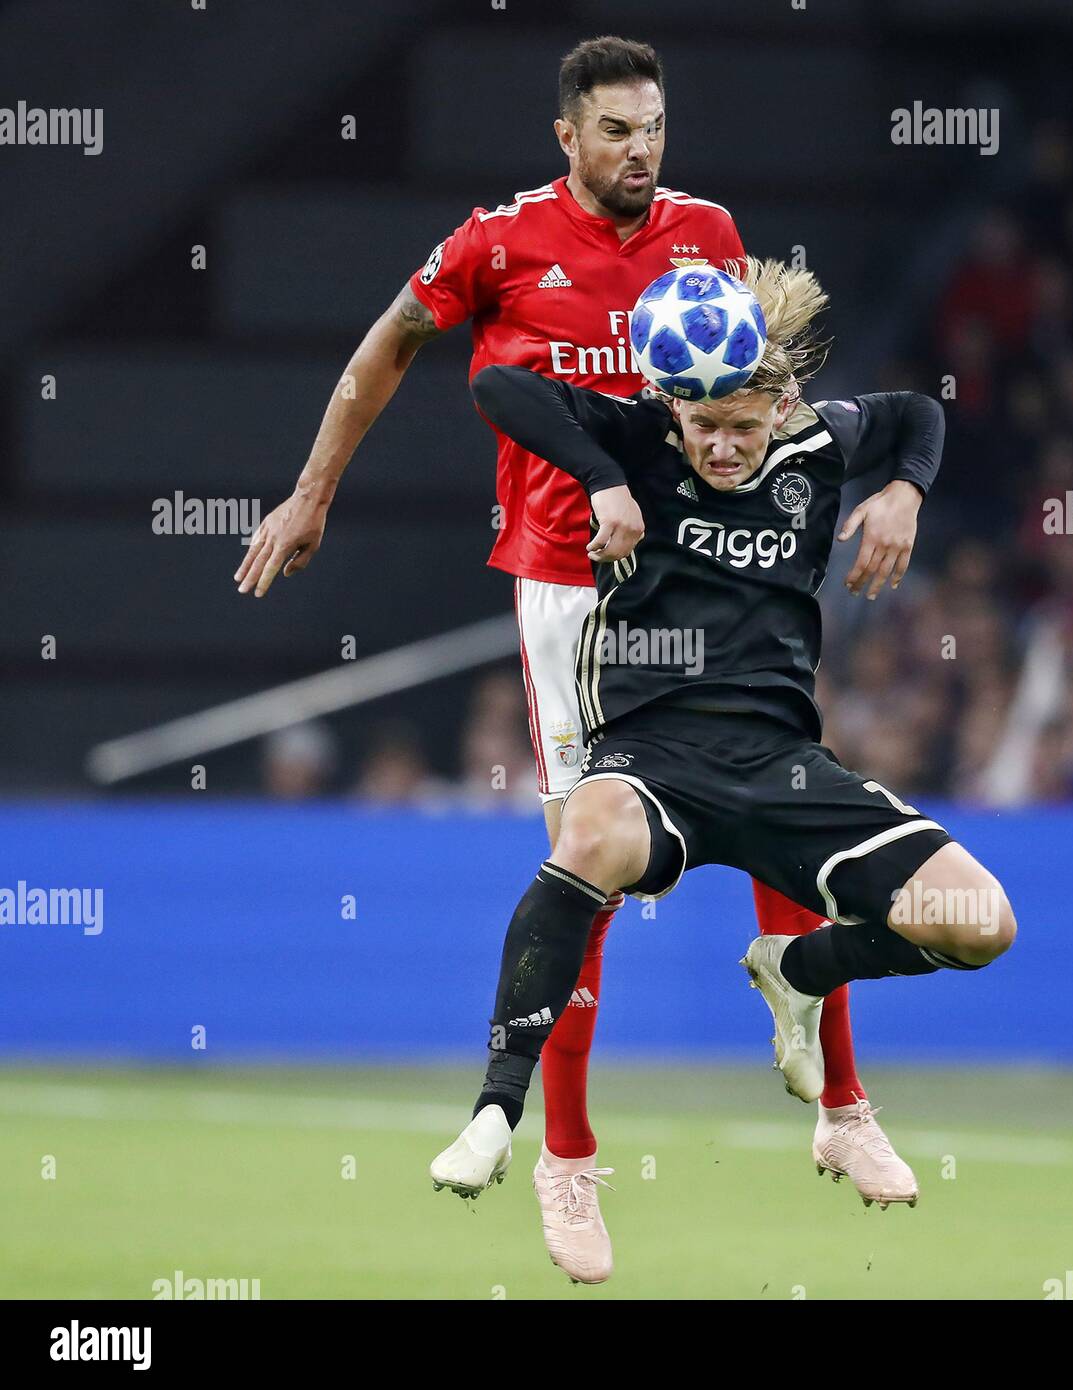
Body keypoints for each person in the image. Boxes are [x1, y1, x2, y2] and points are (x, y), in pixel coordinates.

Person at [234, 35, 892, 1285]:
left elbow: (752, 396)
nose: (640, 151)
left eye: (653, 127)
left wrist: (853, 474)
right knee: (584, 865)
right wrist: (313, 492)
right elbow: (386, 349)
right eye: (614, 131)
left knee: (782, 806)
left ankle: (843, 1104)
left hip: (701, 576)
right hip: (567, 598)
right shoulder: (497, 243)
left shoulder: (708, 231)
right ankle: (569, 1162)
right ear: (565, 138)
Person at [429, 260, 1017, 1258]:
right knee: (585, 835)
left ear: (780, 404)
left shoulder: (819, 442)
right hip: (652, 759)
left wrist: (905, 495)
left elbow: (920, 411)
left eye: (741, 428)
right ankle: (498, 1109)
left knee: (980, 921)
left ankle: (800, 966)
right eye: (701, 427)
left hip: (785, 765)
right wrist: (608, 476)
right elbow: (497, 386)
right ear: (672, 406)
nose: (721, 447)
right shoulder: (638, 439)